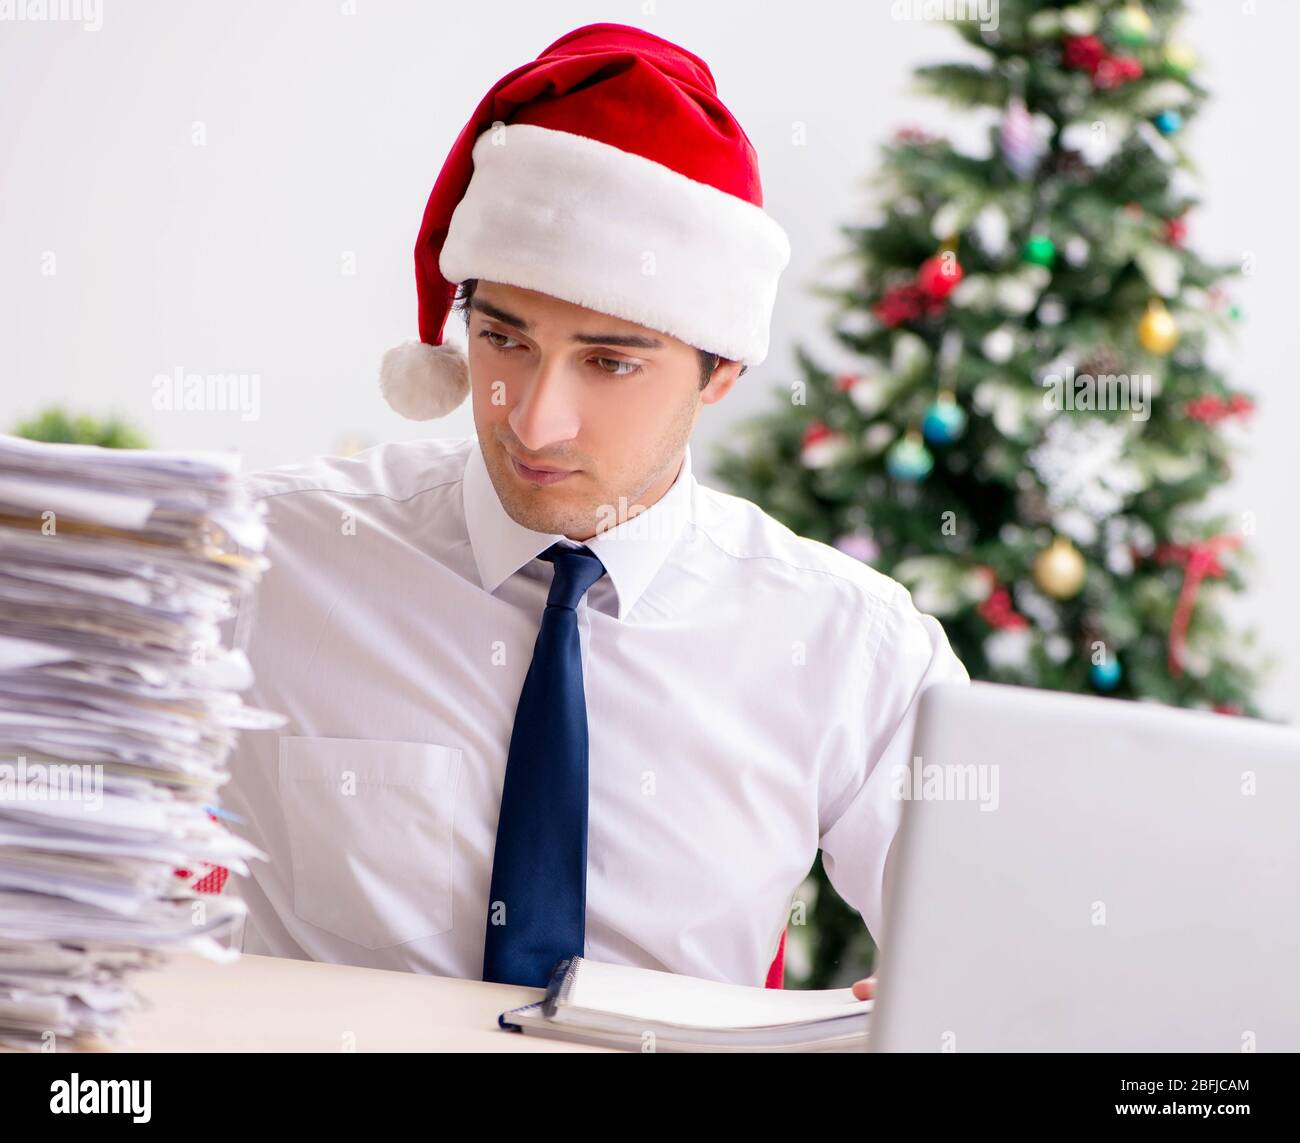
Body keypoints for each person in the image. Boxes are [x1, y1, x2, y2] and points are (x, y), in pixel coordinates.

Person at [220, 22, 968, 998]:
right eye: (504, 339)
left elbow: (1000, 958)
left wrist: (942, 1007)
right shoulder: (258, 560)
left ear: (723, 370)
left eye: (610, 361)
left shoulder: (847, 647)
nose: (536, 418)